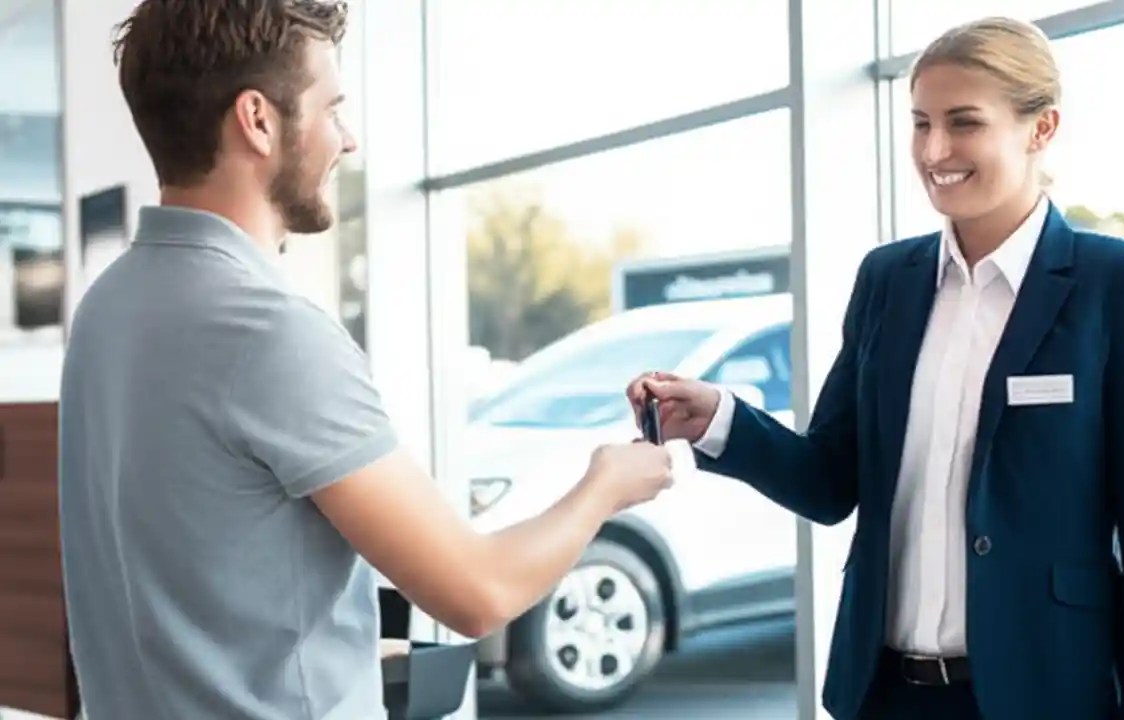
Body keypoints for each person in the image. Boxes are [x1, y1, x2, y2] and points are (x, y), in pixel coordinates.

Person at [57, 2, 675, 718]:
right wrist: (604, 486)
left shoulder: (107, 308)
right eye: (332, 107)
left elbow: (187, 581)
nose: (346, 141)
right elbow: (478, 593)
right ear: (257, 120)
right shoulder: (269, 331)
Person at [628, 16, 1124, 720]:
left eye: (964, 123)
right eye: (921, 123)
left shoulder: (1121, 285)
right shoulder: (888, 281)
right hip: (885, 695)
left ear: (1040, 129)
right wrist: (720, 420)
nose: (935, 150)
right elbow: (833, 480)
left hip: (1045, 696)